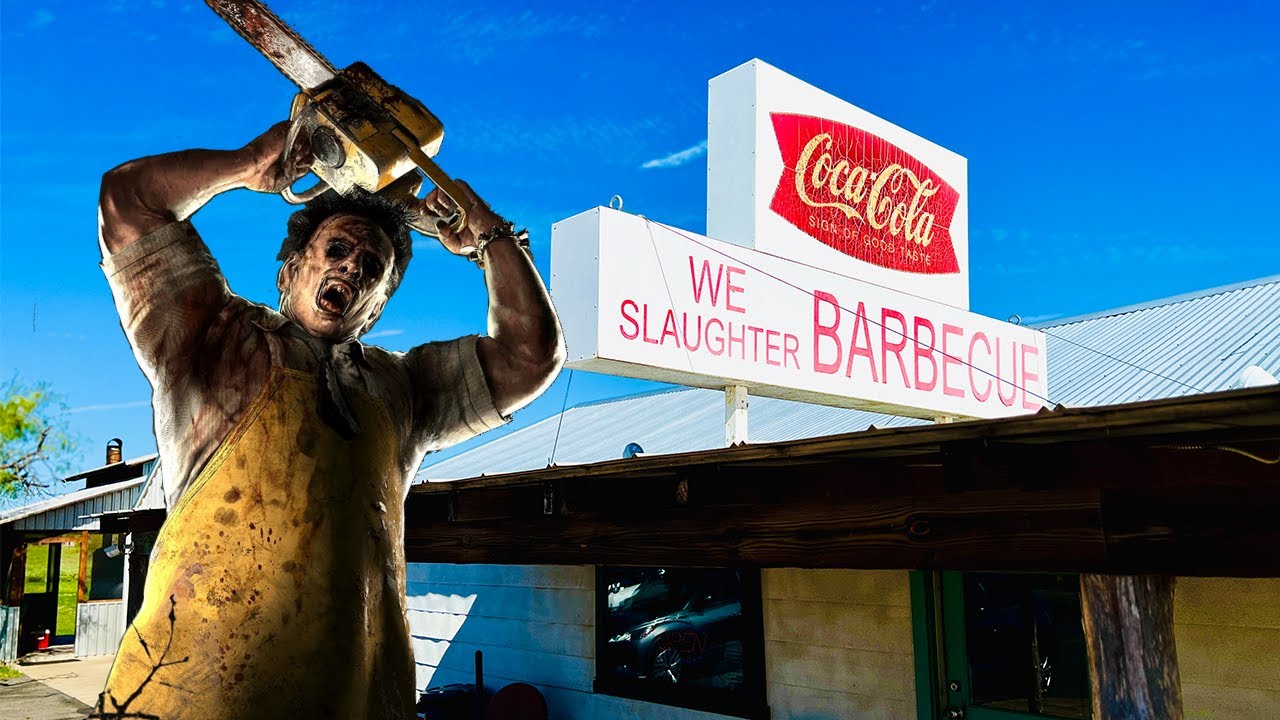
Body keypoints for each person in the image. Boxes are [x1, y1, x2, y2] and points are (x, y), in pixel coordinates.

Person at [93, 121, 563, 719]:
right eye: (336, 250)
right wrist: (247, 164)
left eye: (372, 268)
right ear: (290, 273)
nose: (352, 269)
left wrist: (492, 238)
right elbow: (127, 199)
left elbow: (530, 355)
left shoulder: (404, 388)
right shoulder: (213, 337)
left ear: (376, 308)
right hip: (187, 697)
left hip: (357, 700)